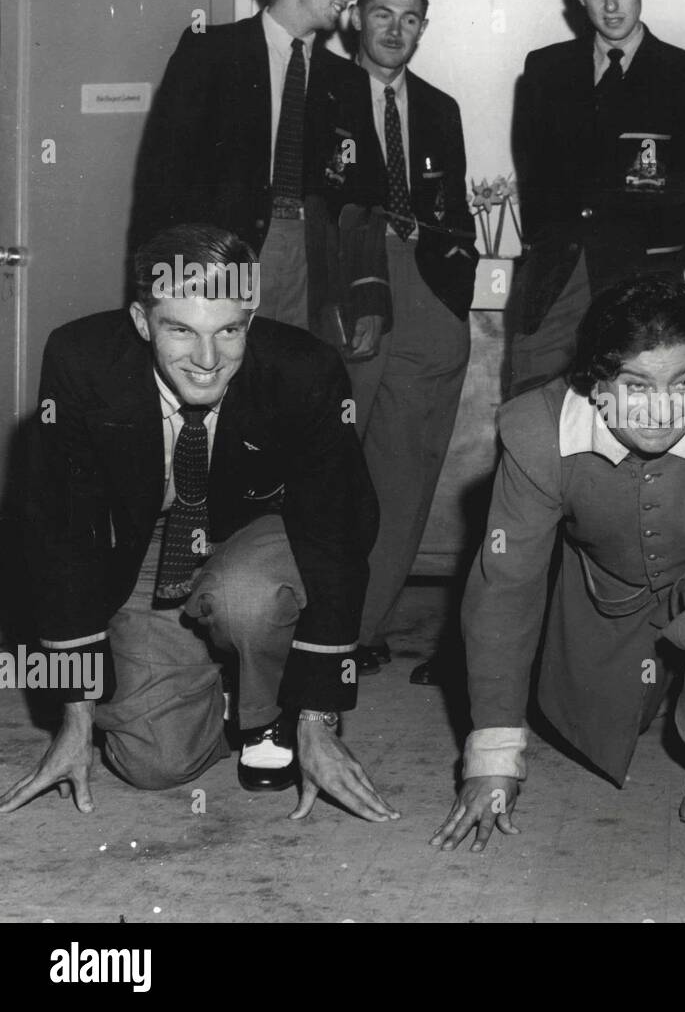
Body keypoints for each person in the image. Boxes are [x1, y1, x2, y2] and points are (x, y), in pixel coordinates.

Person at [433, 278, 685, 865]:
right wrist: (493, 758)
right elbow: (505, 590)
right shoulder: (538, 430)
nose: (662, 408)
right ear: (596, 385)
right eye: (635, 386)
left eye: (683, 384)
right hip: (606, 600)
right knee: (596, 718)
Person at [1, 224, 397, 823]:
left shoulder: (307, 371)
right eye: (181, 329)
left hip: (259, 534)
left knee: (247, 600)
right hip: (146, 544)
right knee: (153, 764)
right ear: (141, 321)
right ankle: (230, 685)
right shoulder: (80, 361)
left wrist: (318, 717)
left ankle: (274, 705)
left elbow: (337, 535)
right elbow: (55, 536)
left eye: (229, 331)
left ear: (251, 319)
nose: (208, 361)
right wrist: (73, 716)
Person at [130, 0, 388, 336]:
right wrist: (154, 290)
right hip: (220, 262)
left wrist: (369, 297)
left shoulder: (349, 82)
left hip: (314, 269)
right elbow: (161, 182)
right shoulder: (208, 53)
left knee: (297, 388)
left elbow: (365, 199)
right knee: (226, 389)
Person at [505, 0, 685, 399]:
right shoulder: (545, 70)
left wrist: (656, 260)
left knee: (635, 413)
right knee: (533, 409)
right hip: (556, 279)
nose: (611, 4)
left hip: (643, 283)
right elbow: (534, 175)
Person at [343, 0, 478, 675]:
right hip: (347, 286)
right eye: (382, 14)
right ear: (355, 20)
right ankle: (307, 618)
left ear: (424, 27)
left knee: (403, 469)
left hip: (427, 290)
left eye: (411, 18)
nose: (395, 29)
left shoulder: (439, 107)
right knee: (331, 463)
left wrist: (458, 280)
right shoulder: (321, 94)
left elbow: (451, 201)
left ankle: (363, 626)